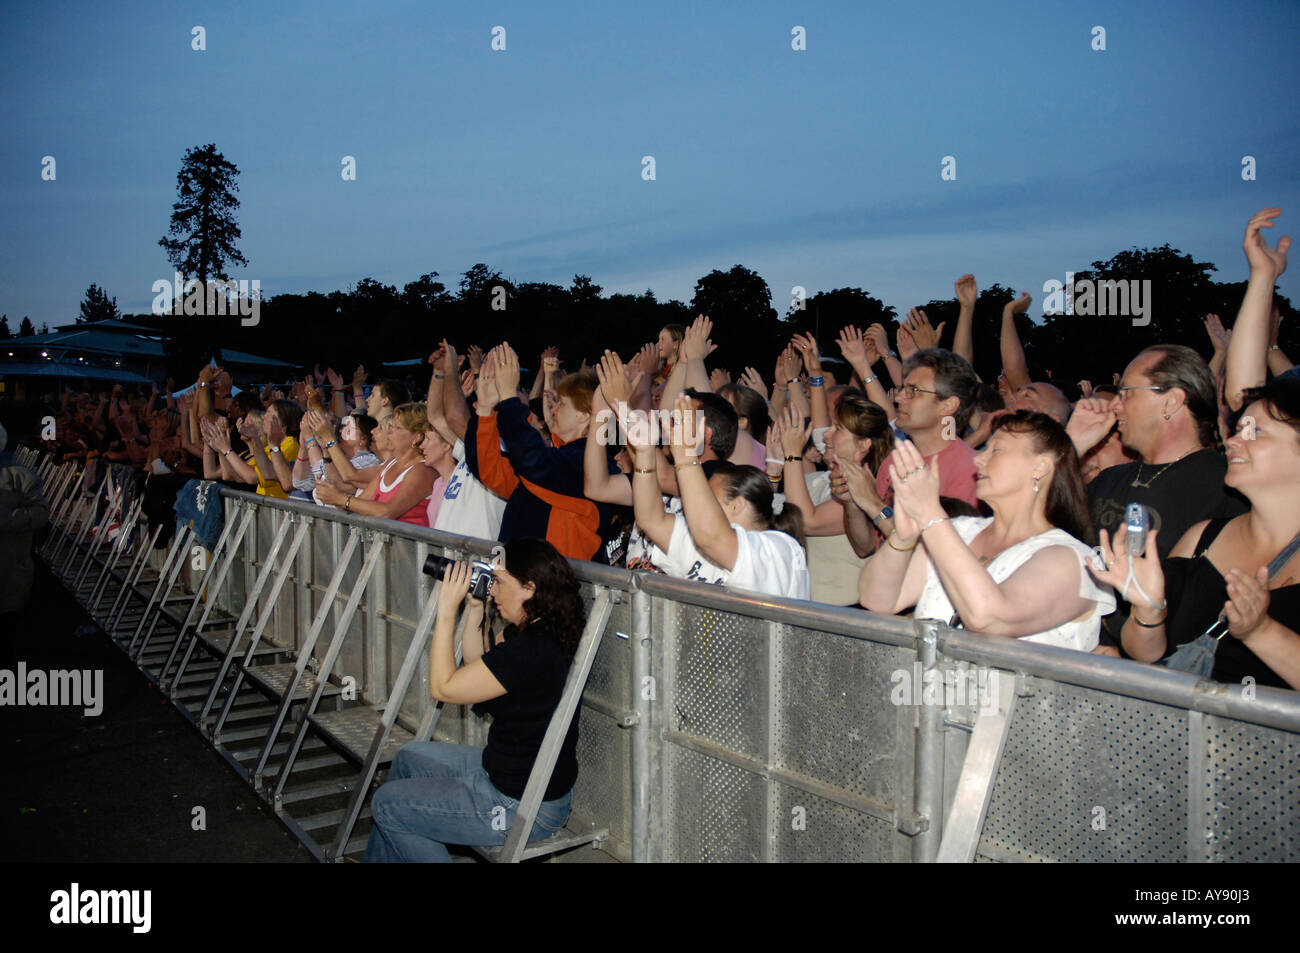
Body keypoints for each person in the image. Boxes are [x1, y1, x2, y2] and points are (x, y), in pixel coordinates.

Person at [363, 539, 585, 862]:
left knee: (387, 806)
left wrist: (445, 610)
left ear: (529, 589)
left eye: (499, 582)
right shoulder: (536, 632)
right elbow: (478, 665)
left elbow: (444, 688)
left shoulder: (533, 651)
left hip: (521, 805)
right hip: (504, 773)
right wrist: (475, 610)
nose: (492, 591)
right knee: (409, 758)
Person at [1092, 379, 1300, 689]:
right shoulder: (1203, 537)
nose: (1231, 441)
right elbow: (1147, 653)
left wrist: (1261, 632)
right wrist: (1147, 609)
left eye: (1255, 432)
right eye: (1237, 429)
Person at [860, 411, 1115, 651]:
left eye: (996, 450)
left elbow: (988, 619)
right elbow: (878, 600)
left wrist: (930, 514)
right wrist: (903, 537)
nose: (979, 458)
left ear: (1040, 468)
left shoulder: (1075, 560)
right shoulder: (960, 531)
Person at [631, 395, 810, 599]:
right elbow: (651, 520)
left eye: (710, 500)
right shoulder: (705, 544)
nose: (697, 507)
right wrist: (645, 453)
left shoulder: (780, 549)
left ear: (737, 505)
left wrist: (686, 456)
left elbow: (712, 536)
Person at [873, 348, 981, 509]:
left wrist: (871, 504)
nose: (898, 397)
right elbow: (874, 534)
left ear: (947, 405)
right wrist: (852, 503)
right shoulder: (894, 461)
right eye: (903, 389)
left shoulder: (970, 472)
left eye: (913, 391)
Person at [316, 403, 436, 525]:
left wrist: (340, 498)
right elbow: (358, 503)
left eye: (397, 428)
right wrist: (334, 495)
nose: (389, 431)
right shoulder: (390, 464)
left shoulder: (423, 470)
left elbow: (387, 511)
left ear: (416, 437)